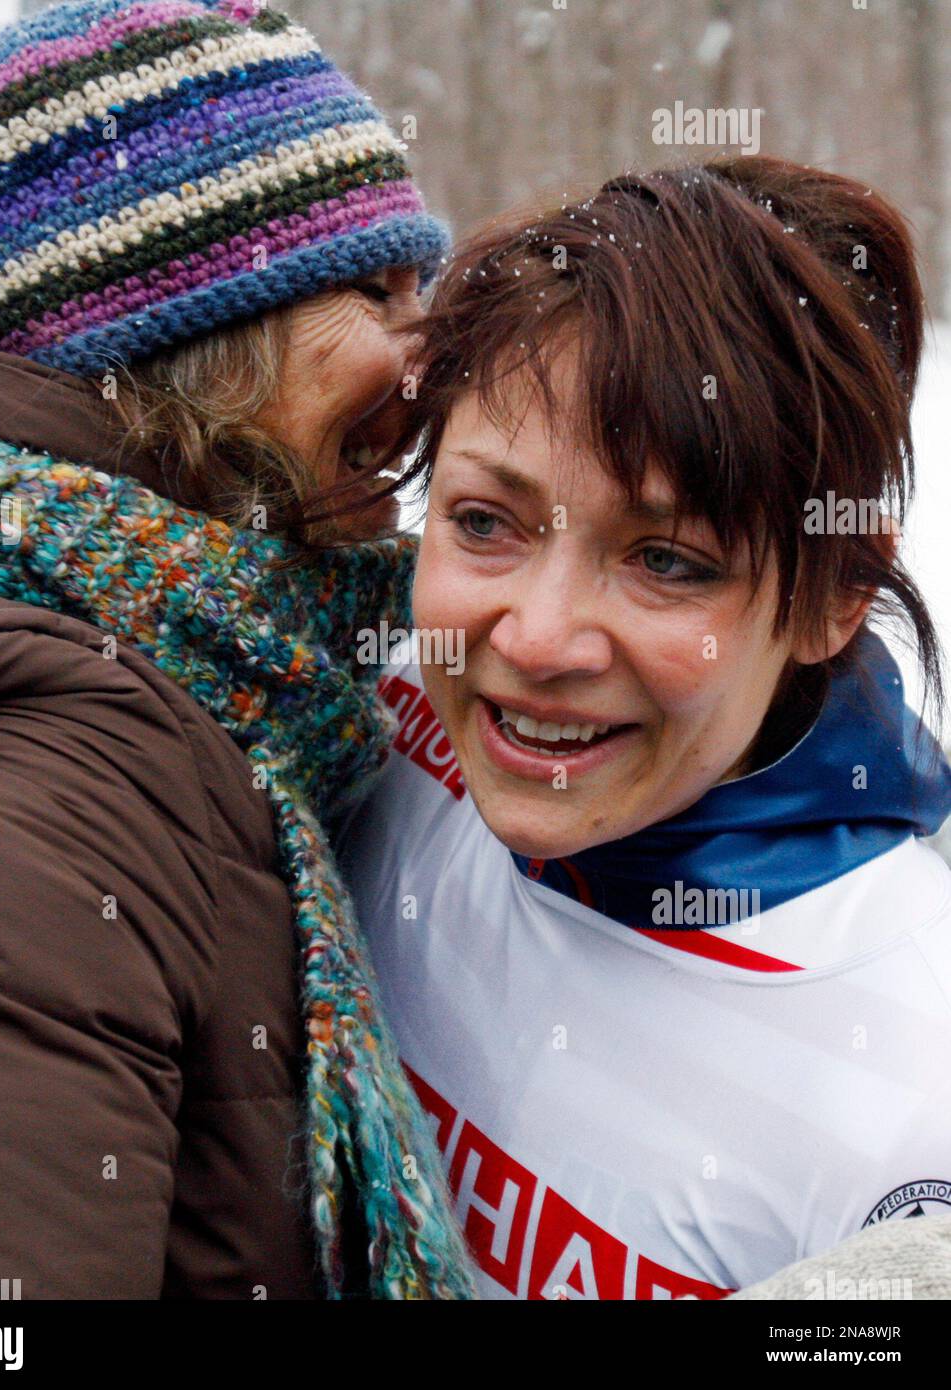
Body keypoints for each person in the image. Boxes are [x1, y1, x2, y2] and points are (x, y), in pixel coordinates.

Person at [0, 0, 475, 1299]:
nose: (425, 361)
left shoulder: (204, 668)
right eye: (375, 292)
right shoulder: (48, 792)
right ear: (191, 351)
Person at [338, 155, 951, 1299]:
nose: (536, 638)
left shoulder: (914, 1075)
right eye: (484, 521)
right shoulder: (372, 731)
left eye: (665, 560)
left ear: (831, 596)